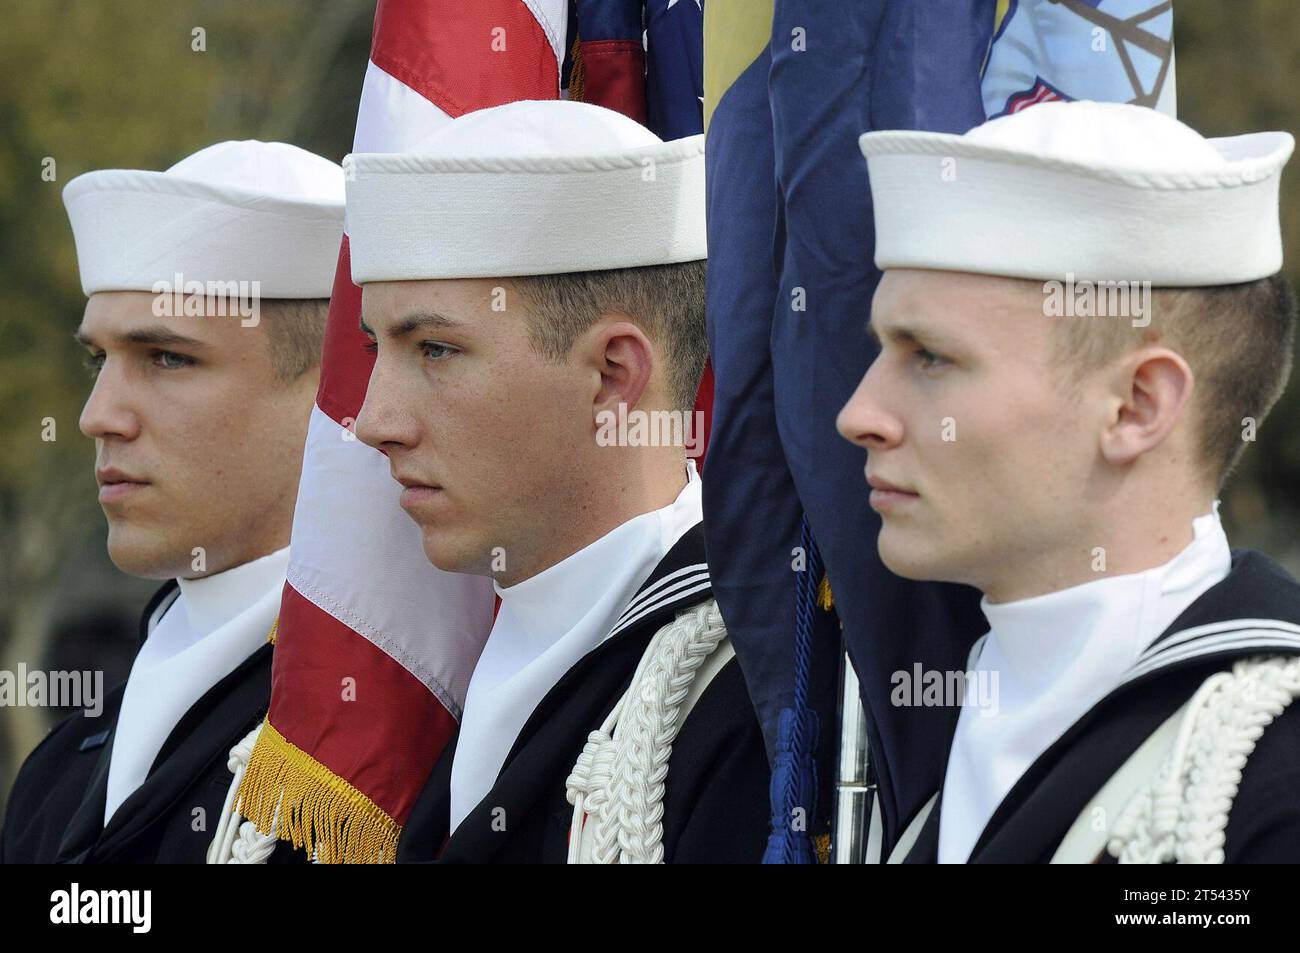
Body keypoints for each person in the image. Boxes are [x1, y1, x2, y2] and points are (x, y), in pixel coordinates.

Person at [838, 101, 1300, 863]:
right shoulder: (944, 727)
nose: (860, 414)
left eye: (930, 357)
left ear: (1136, 406)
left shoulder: (1273, 778)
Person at [347, 99, 770, 863]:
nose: (374, 419)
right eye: (376, 346)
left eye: (435, 349)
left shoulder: (748, 701)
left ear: (613, 376)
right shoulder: (456, 665)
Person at [0, 140, 344, 863]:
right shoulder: (59, 772)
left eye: (167, 357)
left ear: (331, 394)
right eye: (99, 359)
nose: (99, 415)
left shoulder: (379, 760)